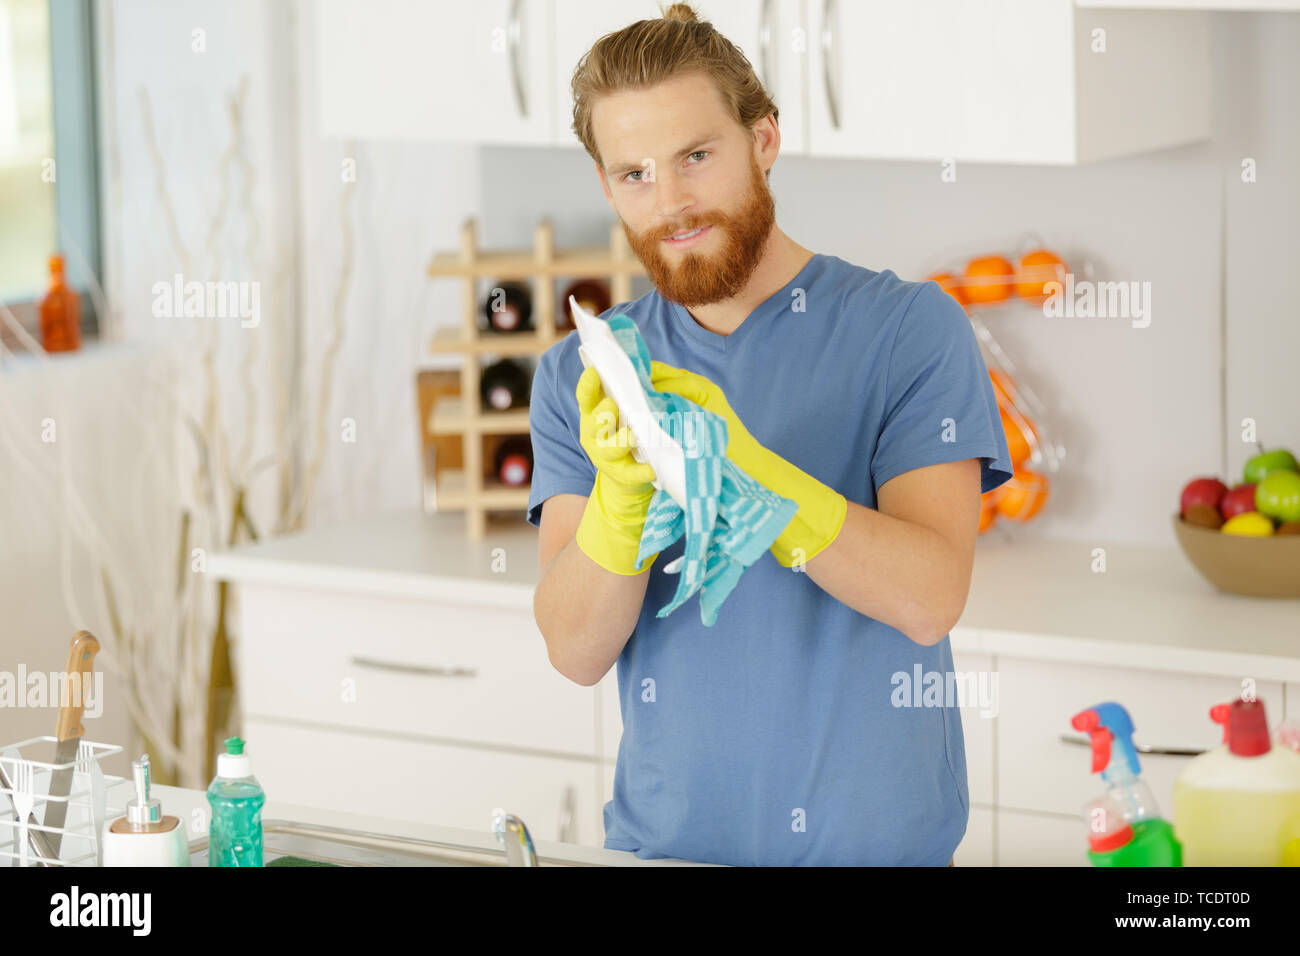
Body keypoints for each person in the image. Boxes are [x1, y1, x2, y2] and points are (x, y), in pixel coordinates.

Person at [527, 2, 1012, 866]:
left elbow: (931, 595)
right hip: (665, 849)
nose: (670, 202)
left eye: (696, 157)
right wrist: (624, 499)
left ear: (764, 141)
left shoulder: (908, 328)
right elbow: (574, 649)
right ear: (605, 185)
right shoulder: (585, 376)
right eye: (634, 173)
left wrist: (751, 474)